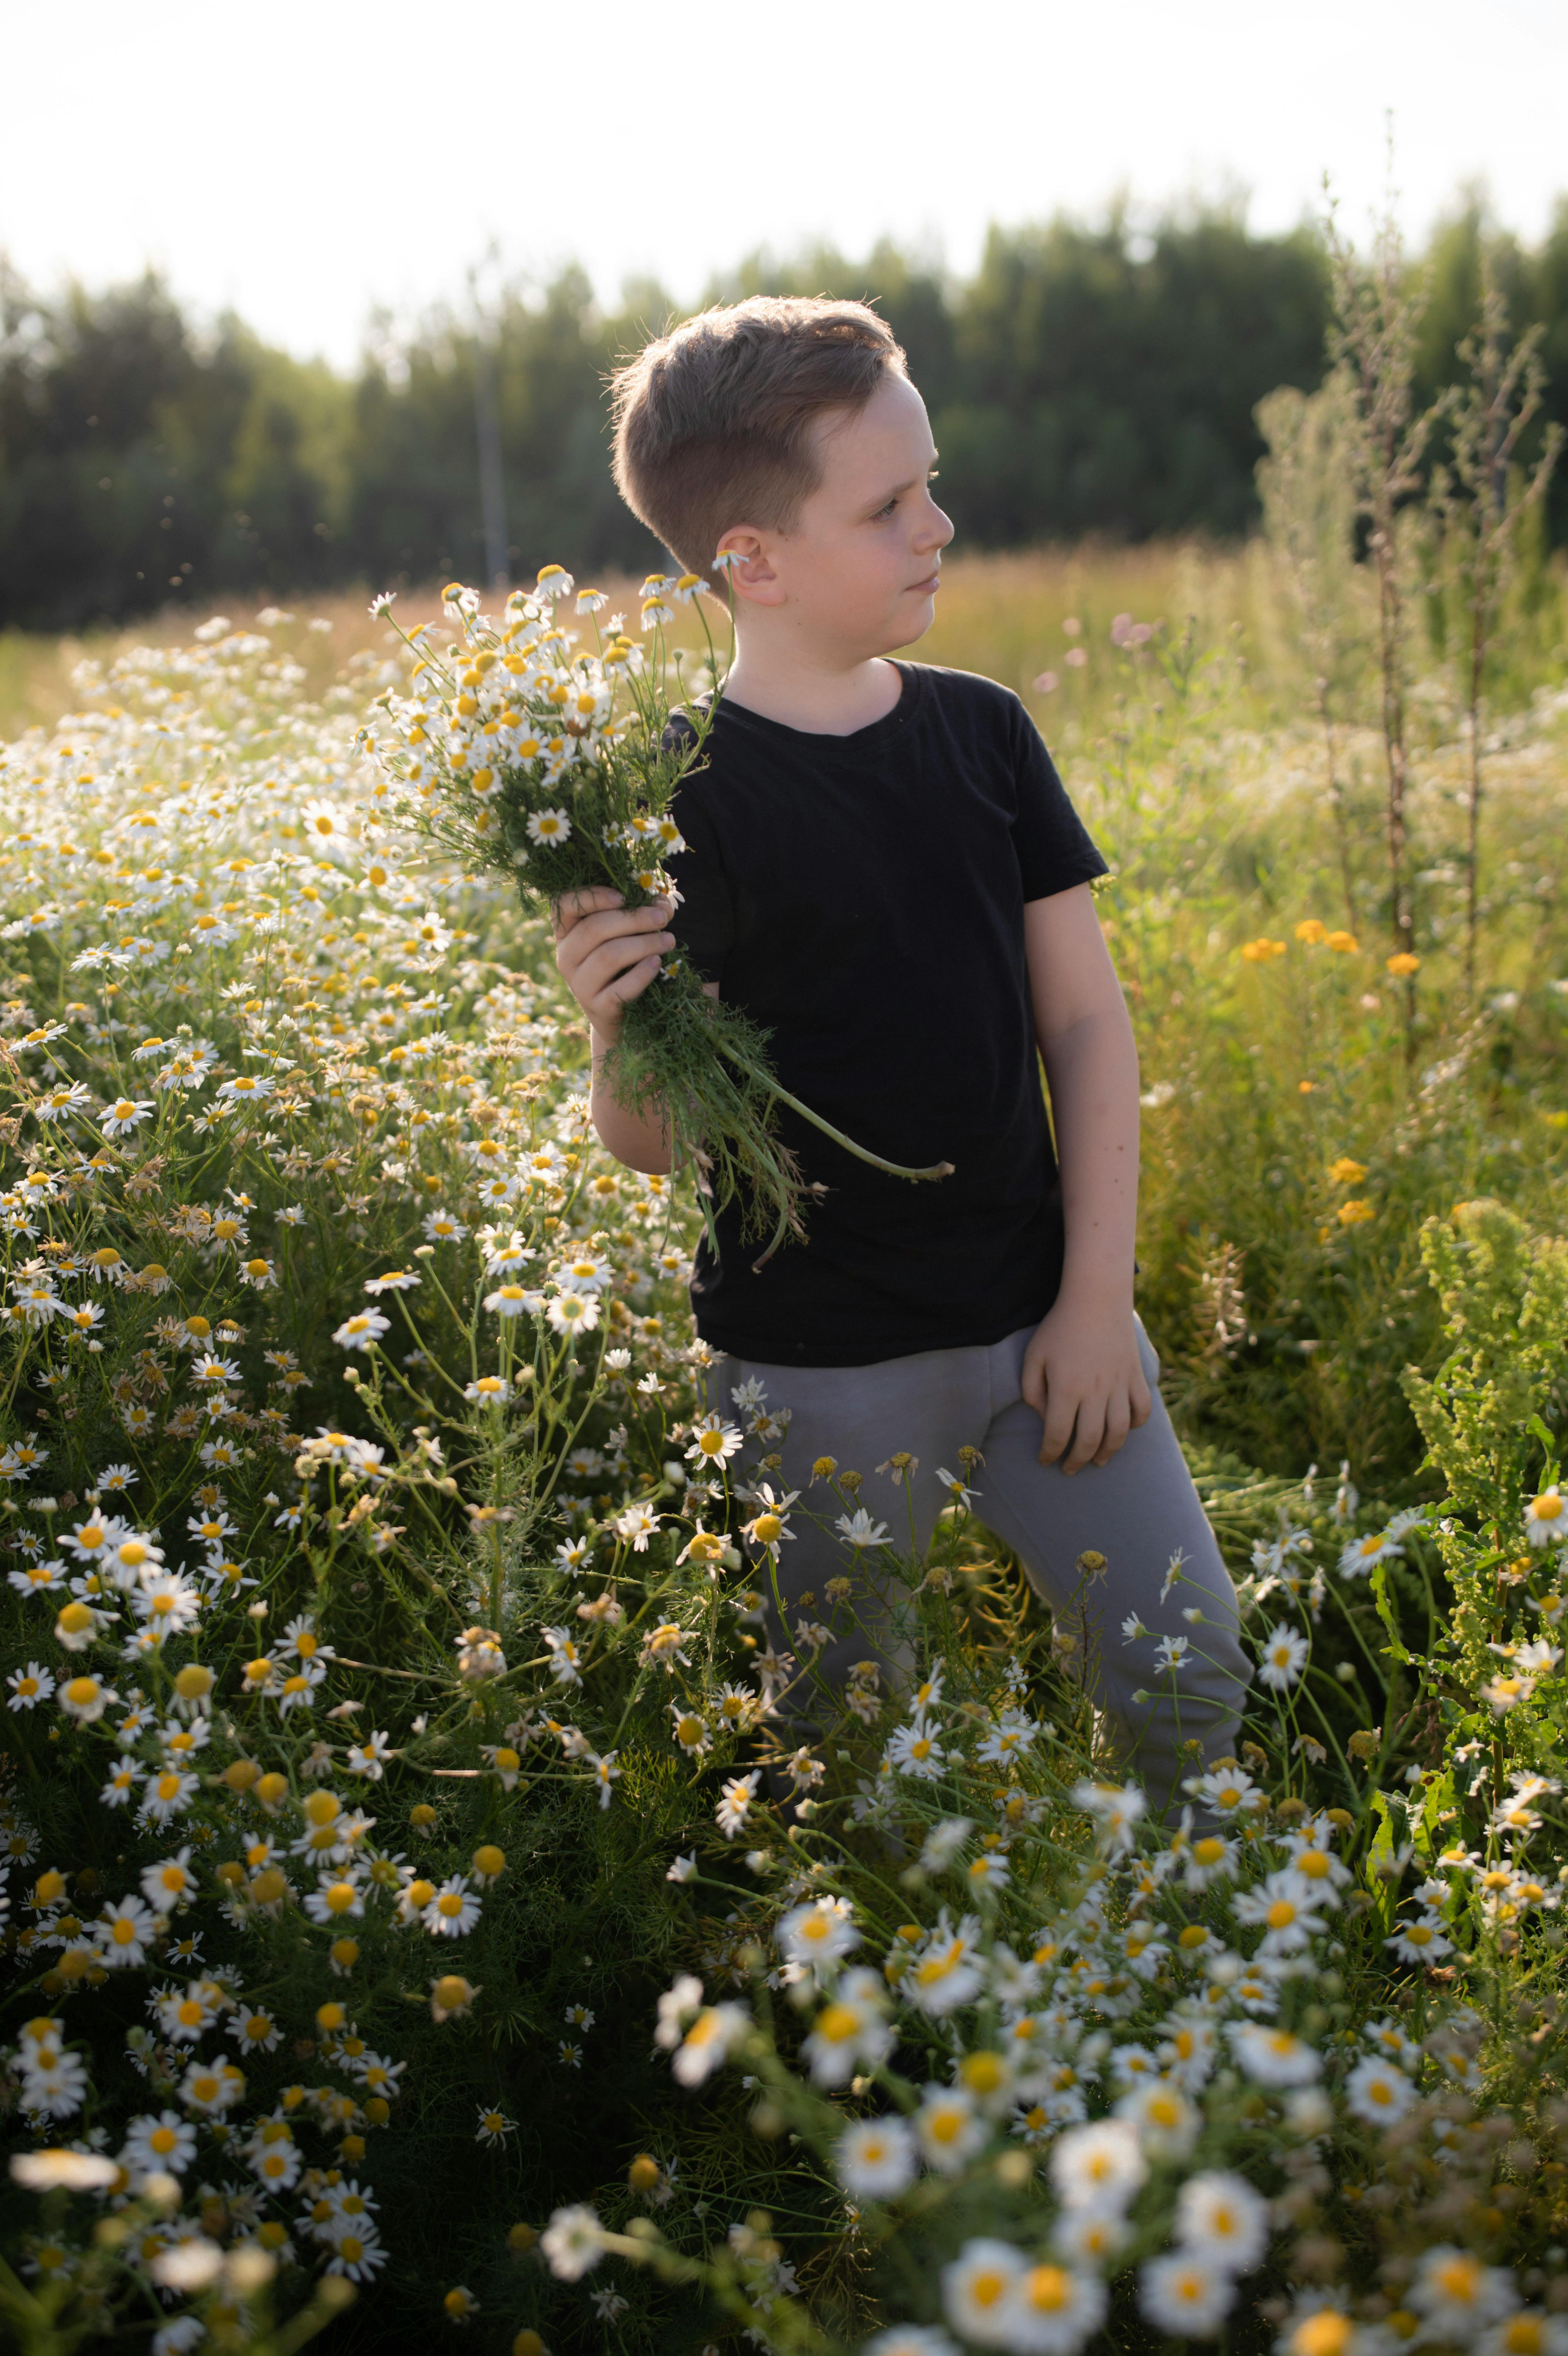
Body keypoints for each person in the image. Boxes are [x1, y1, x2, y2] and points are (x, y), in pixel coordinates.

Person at [552, 295, 1249, 1809]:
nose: (937, 522)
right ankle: (884, 2005)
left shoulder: (984, 736)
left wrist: (1092, 1303)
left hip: (1041, 1323)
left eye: (929, 480)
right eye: (889, 504)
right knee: (846, 1735)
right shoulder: (672, 798)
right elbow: (658, 1139)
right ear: (754, 562)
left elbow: (1083, 1020)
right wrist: (615, 1029)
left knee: (1187, 1671)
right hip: (820, 1371)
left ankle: (1213, 1967)